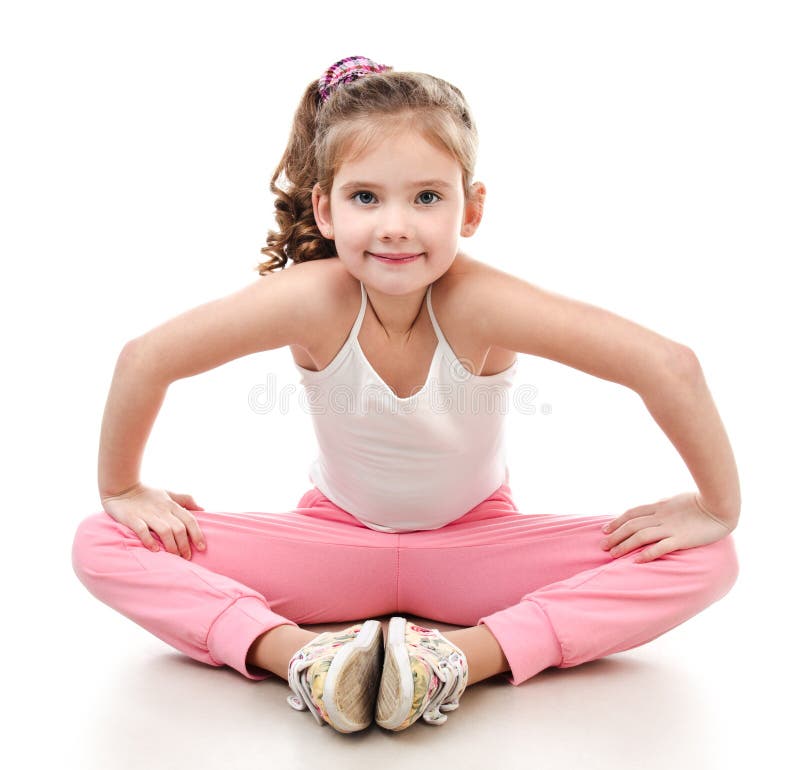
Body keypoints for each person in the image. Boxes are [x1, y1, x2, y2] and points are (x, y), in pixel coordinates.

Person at [71, 56, 741, 735]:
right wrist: (123, 490)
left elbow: (668, 366)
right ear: (325, 209)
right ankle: (305, 658)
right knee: (103, 539)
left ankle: (456, 659)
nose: (396, 225)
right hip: (333, 545)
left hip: (478, 548)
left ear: (471, 208)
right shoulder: (312, 299)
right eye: (367, 198)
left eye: (426, 198)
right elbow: (144, 360)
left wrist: (717, 509)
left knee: (708, 556)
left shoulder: (484, 304)